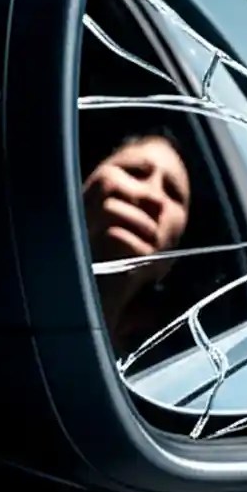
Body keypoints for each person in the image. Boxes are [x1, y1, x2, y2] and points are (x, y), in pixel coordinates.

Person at [81, 124, 191, 359]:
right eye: (135, 172)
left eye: (173, 193)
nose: (152, 196)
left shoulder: (153, 377)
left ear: (169, 262)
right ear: (83, 184)